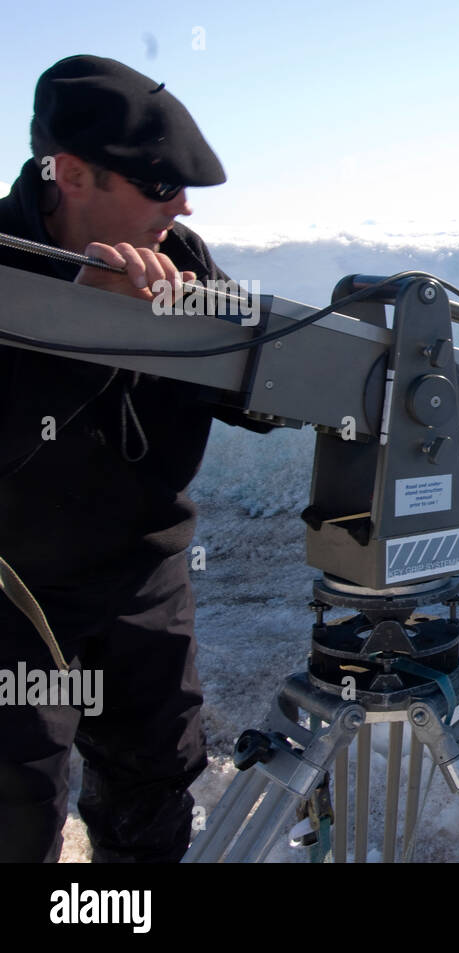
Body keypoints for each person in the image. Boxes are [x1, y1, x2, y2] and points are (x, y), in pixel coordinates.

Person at [0, 54, 269, 861]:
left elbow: (246, 384)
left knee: (154, 787)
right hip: (19, 595)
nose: (180, 205)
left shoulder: (178, 252)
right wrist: (93, 328)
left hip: (143, 577)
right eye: (159, 185)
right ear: (73, 173)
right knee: (20, 805)